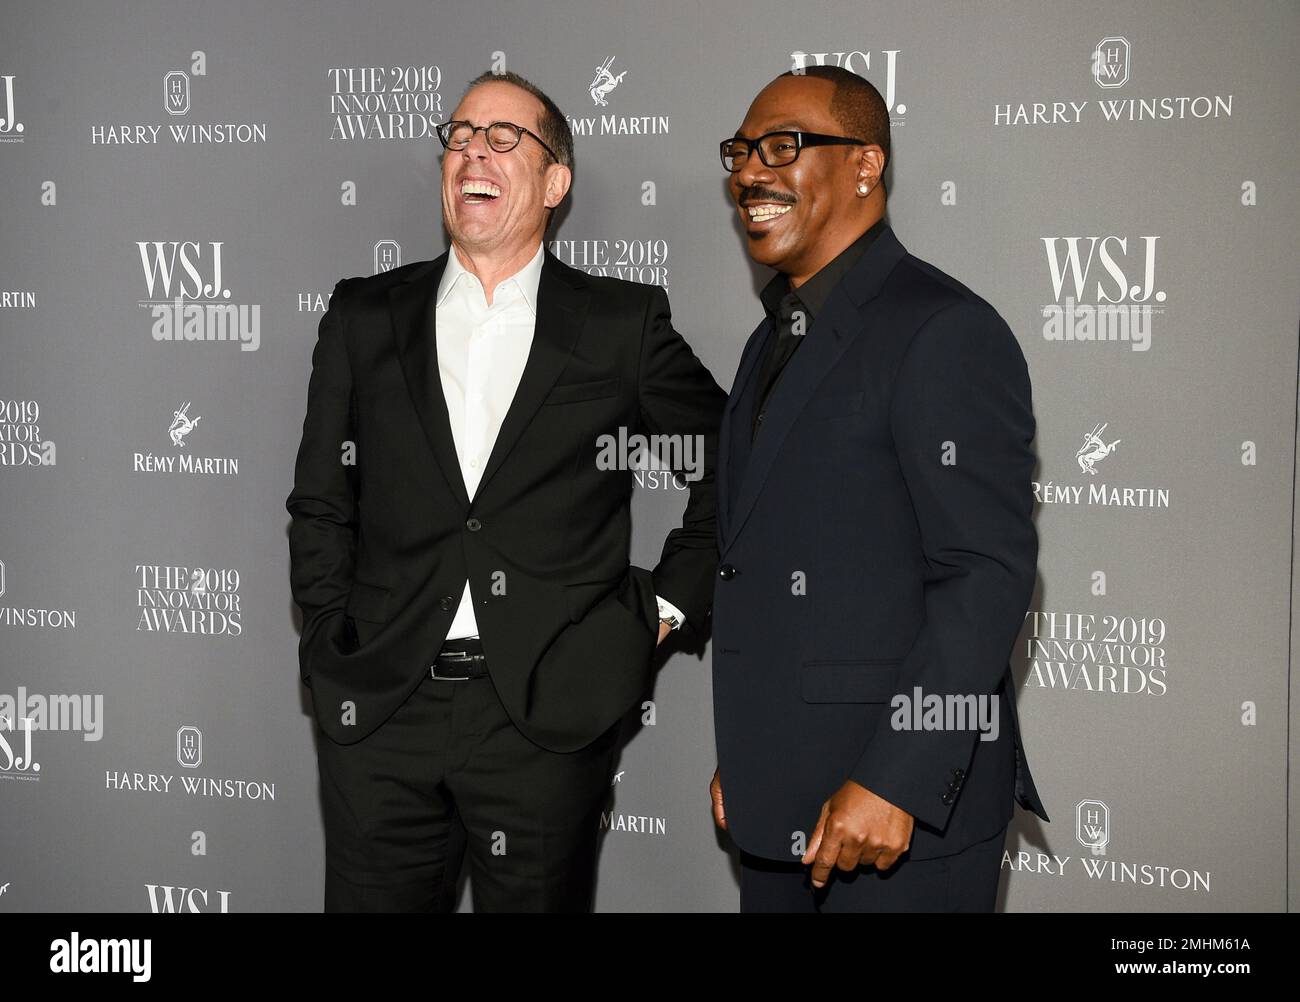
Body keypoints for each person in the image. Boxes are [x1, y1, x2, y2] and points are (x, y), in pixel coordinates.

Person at [286, 70, 725, 912]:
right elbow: (320, 503)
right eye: (458, 135)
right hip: (381, 711)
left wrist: (664, 612)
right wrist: (330, 646)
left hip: (548, 719)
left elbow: (731, 468)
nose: (471, 153)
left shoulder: (617, 327)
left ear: (556, 181)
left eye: (501, 137)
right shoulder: (364, 315)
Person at [709, 65, 1049, 912]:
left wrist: (897, 779)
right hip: (778, 806)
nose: (752, 171)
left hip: (897, 823)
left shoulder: (943, 329)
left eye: (782, 146)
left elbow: (985, 571)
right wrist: (756, 758)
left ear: (865, 166)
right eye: (742, 151)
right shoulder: (770, 342)